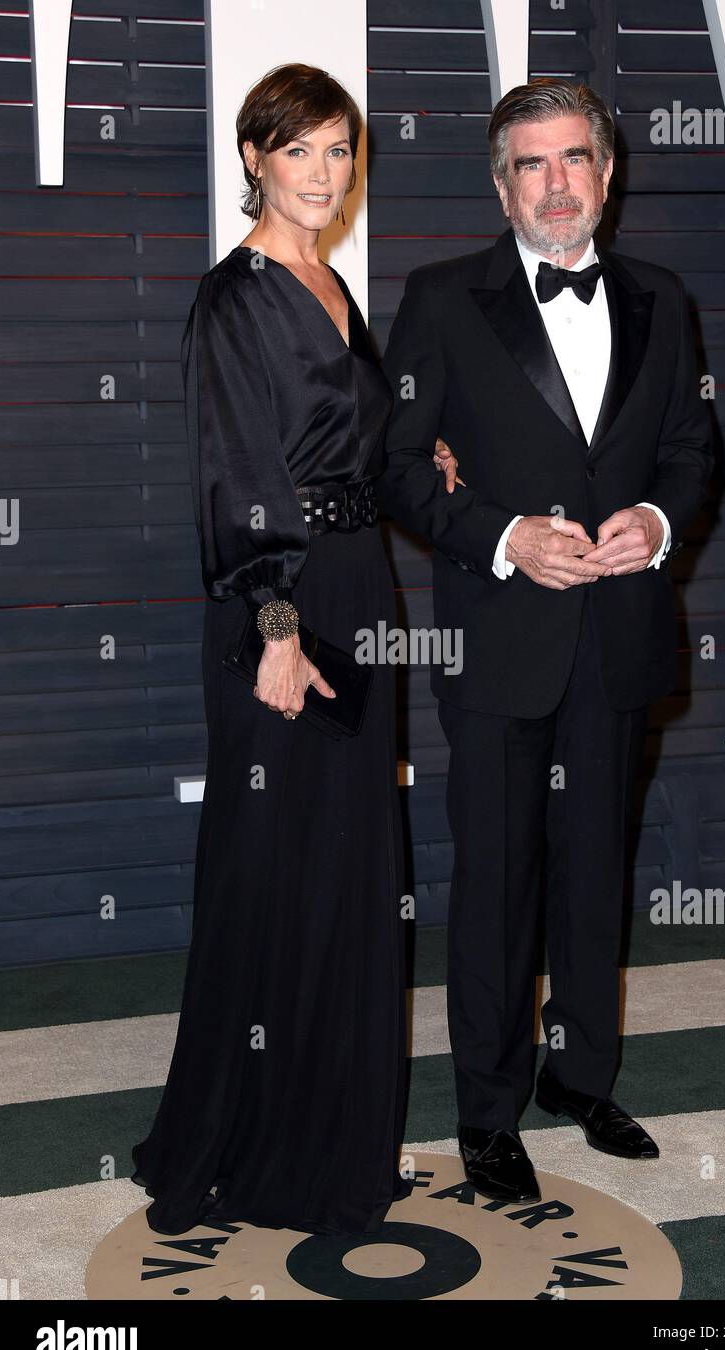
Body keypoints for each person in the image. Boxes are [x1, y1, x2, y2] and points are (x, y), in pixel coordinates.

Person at [130, 63, 458, 1237]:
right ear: (255, 159)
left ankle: (339, 1129)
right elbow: (238, 473)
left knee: (354, 873)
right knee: (273, 869)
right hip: (279, 604)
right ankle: (246, 1142)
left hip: (362, 589)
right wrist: (274, 627)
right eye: (300, 150)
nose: (324, 175)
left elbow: (346, 446)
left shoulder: (330, 283)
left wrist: (422, 466)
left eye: (340, 151)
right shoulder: (235, 299)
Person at [376, 77, 715, 1204]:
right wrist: (507, 535)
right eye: (532, 163)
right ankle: (488, 1109)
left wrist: (656, 523)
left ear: (608, 176)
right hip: (499, 644)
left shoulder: (665, 297)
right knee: (497, 879)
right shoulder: (438, 299)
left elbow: (690, 453)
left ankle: (582, 1077)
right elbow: (393, 467)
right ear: (501, 182)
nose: (557, 183)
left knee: (591, 876)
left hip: (618, 637)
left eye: (575, 159)